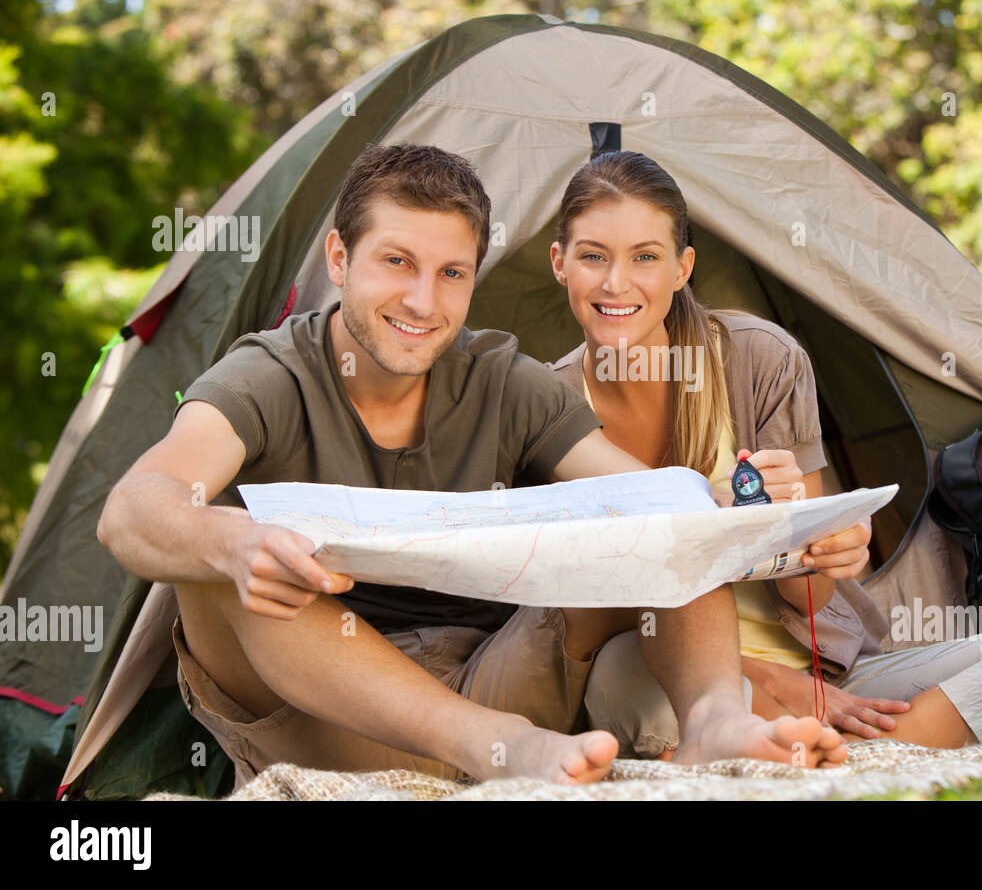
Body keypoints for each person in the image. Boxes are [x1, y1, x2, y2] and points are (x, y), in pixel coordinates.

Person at [97, 143, 863, 789]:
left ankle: (714, 723)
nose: (423, 301)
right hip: (341, 717)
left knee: (658, 508)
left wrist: (732, 506)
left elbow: (646, 499)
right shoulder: (267, 376)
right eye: (396, 262)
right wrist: (235, 545)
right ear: (339, 256)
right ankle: (494, 748)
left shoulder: (498, 375)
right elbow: (132, 508)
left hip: (504, 675)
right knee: (213, 558)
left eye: (452, 273)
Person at [546, 150, 982, 756]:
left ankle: (826, 758)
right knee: (621, 679)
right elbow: (578, 617)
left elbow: (813, 594)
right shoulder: (549, 402)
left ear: (681, 267)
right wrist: (765, 680)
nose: (618, 283)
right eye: (594, 256)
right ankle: (851, 756)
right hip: (670, 677)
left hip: (827, 675)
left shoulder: (759, 359)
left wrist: (819, 547)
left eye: (646, 257)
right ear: (560, 263)